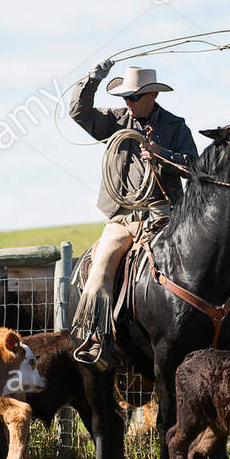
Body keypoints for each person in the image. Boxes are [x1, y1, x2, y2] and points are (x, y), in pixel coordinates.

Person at [69, 62, 198, 368]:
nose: (128, 103)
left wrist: (162, 155)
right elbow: (78, 113)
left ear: (152, 95)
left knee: (213, 257)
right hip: (122, 218)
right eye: (125, 98)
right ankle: (94, 335)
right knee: (99, 268)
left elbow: (195, 167)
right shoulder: (115, 122)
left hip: (165, 214)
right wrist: (92, 80)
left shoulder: (175, 127)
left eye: (134, 97)